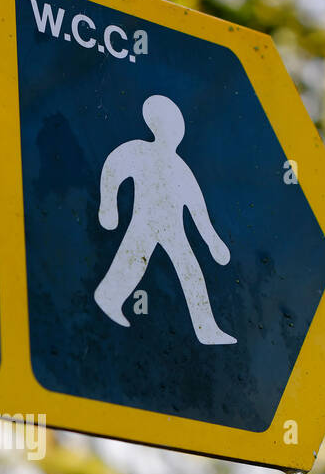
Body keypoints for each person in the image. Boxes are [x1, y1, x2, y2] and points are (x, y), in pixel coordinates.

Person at [94, 94, 237, 344]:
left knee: (191, 270)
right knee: (133, 260)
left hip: (173, 230)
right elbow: (114, 169)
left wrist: (214, 242)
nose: (176, 130)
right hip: (144, 221)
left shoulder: (180, 167)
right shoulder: (139, 150)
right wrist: (108, 207)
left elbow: (198, 210)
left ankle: (206, 329)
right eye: (170, 123)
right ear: (155, 124)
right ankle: (108, 297)